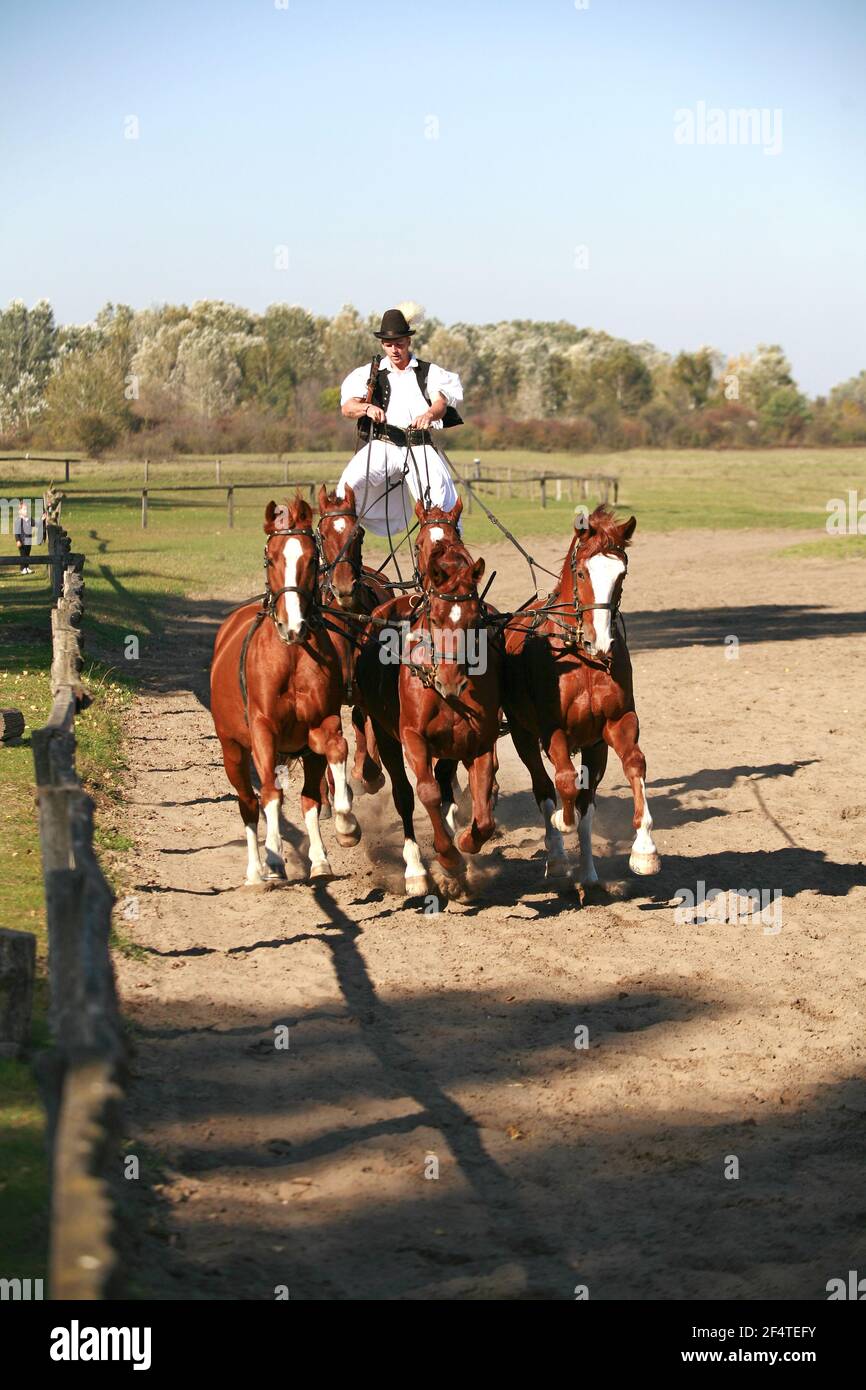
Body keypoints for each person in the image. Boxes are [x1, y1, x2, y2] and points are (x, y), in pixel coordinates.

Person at [337, 308, 463, 538]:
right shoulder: (370, 373)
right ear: (382, 344)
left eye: (399, 343)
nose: (394, 350)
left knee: (440, 500)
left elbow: (440, 404)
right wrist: (367, 407)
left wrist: (429, 415)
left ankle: (445, 554)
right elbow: (347, 407)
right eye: (388, 344)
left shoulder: (428, 372)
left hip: (419, 446)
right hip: (383, 445)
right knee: (346, 488)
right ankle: (342, 554)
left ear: (408, 341)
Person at [13, 500, 36, 575]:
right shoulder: (18, 520)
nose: (26, 511)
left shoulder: (29, 519)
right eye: (24, 509)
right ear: (20, 511)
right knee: (23, 554)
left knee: (28, 554)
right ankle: (22, 568)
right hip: (22, 541)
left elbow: (35, 524)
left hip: (28, 540)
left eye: (27, 509)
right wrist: (18, 540)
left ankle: (27, 567)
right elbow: (16, 532)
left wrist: (42, 519)